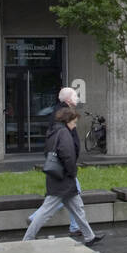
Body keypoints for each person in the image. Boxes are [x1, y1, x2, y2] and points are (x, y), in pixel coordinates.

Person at [24, 105, 105, 247]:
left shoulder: (52, 132)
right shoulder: (64, 133)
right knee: (46, 211)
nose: (74, 126)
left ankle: (89, 236)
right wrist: (72, 172)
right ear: (67, 121)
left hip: (58, 177)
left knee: (77, 208)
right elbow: (67, 154)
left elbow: (47, 152)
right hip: (63, 179)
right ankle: (27, 239)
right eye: (73, 123)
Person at [54, 86, 85, 237]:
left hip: (65, 163)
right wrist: (70, 166)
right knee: (69, 195)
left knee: (68, 196)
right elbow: (65, 143)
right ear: (67, 99)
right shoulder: (64, 115)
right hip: (65, 164)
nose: (77, 99)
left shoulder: (62, 112)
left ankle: (77, 227)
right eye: (75, 96)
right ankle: (34, 220)